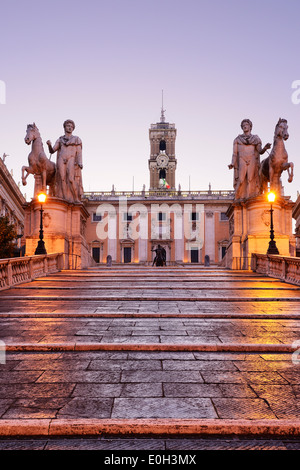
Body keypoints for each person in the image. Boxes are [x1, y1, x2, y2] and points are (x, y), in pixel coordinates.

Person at [229, 119, 271, 199]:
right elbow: (234, 153)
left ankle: (249, 199)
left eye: (246, 125)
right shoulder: (237, 139)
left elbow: (260, 151)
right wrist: (232, 163)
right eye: (243, 125)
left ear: (250, 126)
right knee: (241, 180)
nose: (245, 126)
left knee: (250, 180)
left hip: (252, 160)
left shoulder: (255, 138)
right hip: (242, 159)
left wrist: (265, 148)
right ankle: (237, 198)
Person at [46, 119, 83, 202]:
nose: (69, 128)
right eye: (68, 126)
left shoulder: (76, 139)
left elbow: (79, 152)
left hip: (71, 158)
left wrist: (80, 162)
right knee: (61, 179)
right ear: (65, 127)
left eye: (71, 127)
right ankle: (64, 199)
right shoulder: (60, 139)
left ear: (73, 129)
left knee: (70, 178)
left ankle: (76, 198)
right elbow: (52, 150)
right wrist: (49, 145)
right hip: (61, 159)